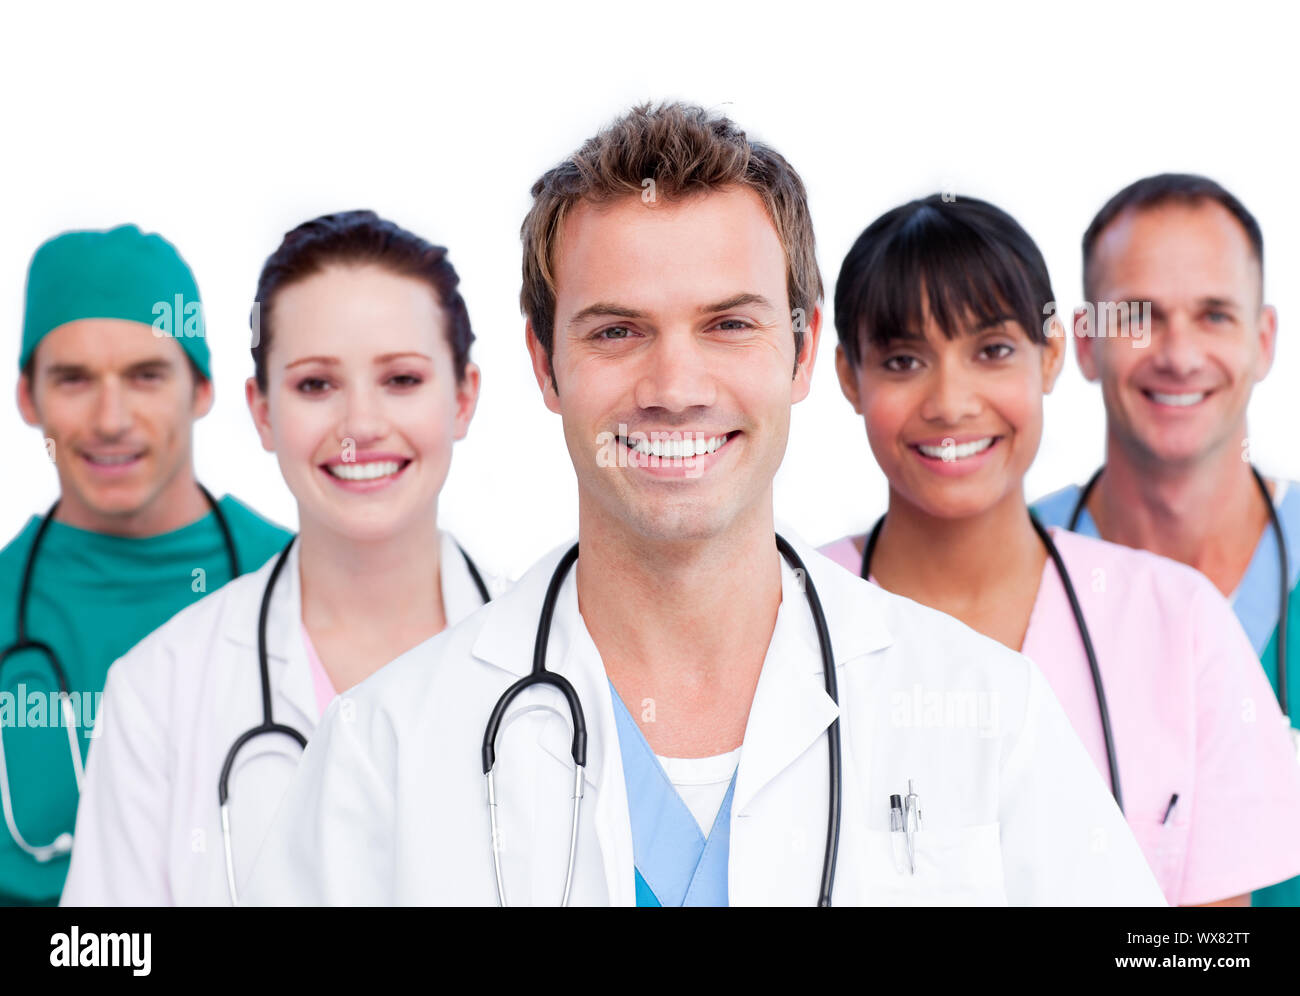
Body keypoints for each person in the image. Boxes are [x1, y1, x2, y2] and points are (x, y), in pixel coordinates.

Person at [244, 105, 1163, 907]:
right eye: (616, 331)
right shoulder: (388, 749)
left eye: (729, 324)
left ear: (801, 354)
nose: (675, 387)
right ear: (543, 363)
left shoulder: (984, 713)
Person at [818, 193, 1300, 906]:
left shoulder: (1182, 619)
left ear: (1049, 358)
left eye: (993, 350)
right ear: (849, 378)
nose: (950, 402)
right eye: (902, 360)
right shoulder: (787, 618)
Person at [59, 211, 494, 906]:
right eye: (315, 384)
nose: (360, 428)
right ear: (262, 412)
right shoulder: (158, 691)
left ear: (464, 397)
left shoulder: (562, 667)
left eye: (402, 379)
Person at [0, 224, 290, 906]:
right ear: (28, 398)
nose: (111, 418)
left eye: (146, 375)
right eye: (73, 380)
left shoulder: (301, 582)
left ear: (200, 390)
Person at [1032, 175, 1300, 906]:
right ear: (1084, 343)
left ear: (1263, 339)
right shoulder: (1008, 570)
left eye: (1214, 314)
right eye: (1139, 317)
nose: (1178, 354)